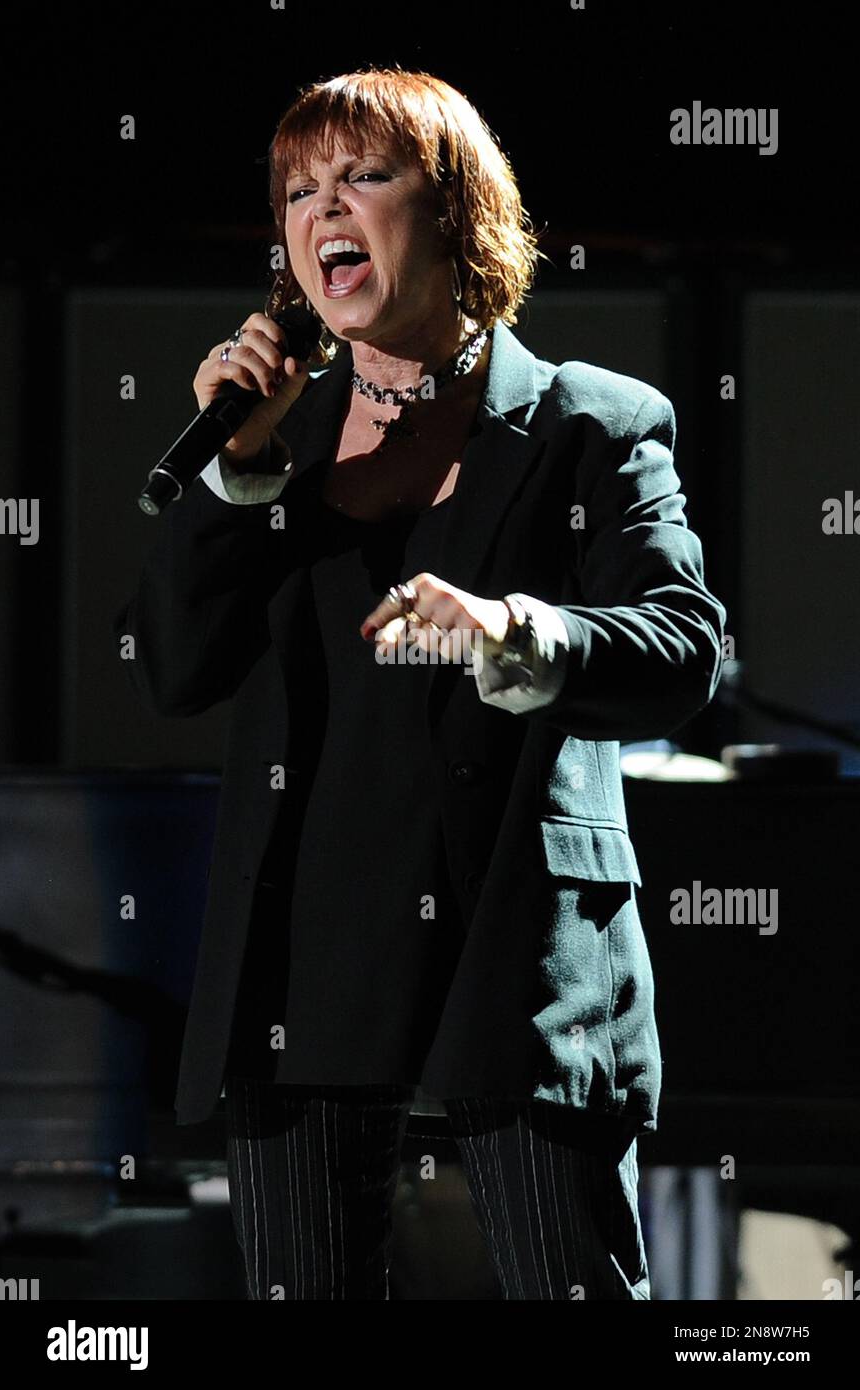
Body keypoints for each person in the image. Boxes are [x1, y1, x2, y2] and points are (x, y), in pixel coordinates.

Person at [115, 66, 726, 1300]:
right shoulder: (272, 451)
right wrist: (237, 469)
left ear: (451, 211)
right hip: (304, 957)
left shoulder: (588, 425)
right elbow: (174, 671)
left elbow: (681, 648)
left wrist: (514, 630)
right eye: (297, 189)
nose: (320, 206)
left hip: (515, 949)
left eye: (362, 176)